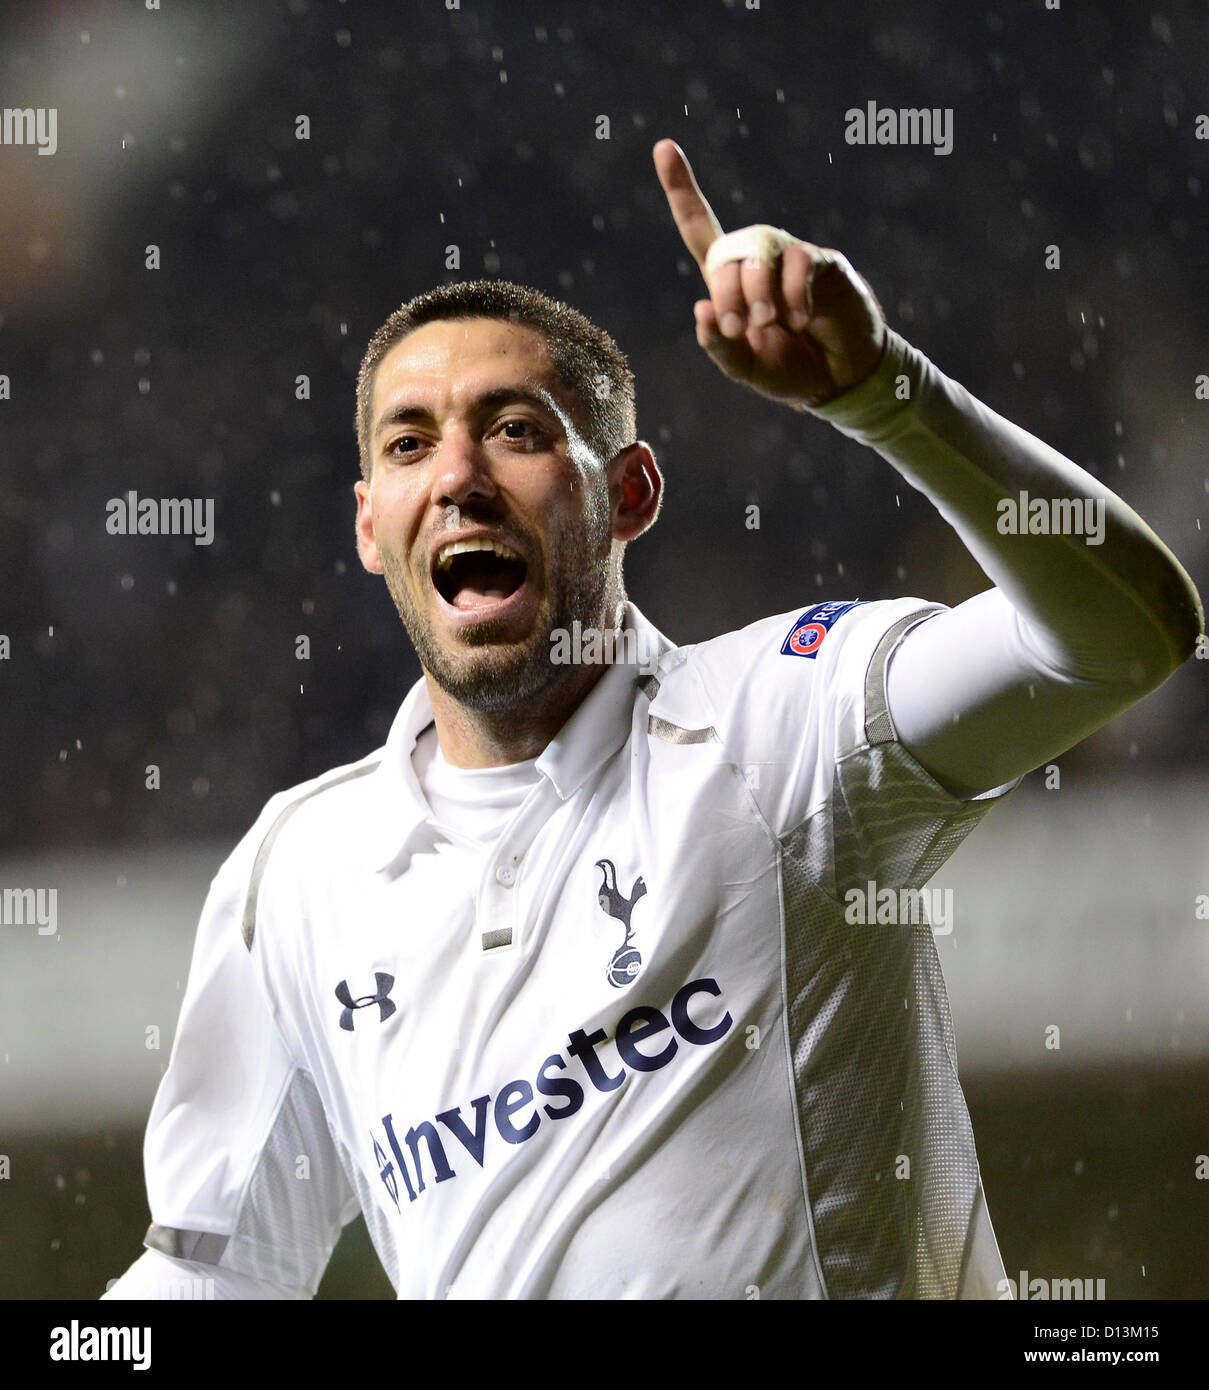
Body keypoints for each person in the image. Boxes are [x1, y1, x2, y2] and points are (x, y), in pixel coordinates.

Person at [103, 140, 1202, 1300]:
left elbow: (1121, 639)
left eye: (518, 430)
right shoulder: (296, 874)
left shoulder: (788, 719)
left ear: (630, 494)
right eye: (409, 443)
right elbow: (213, 1282)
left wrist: (886, 396)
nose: (459, 475)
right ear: (372, 526)